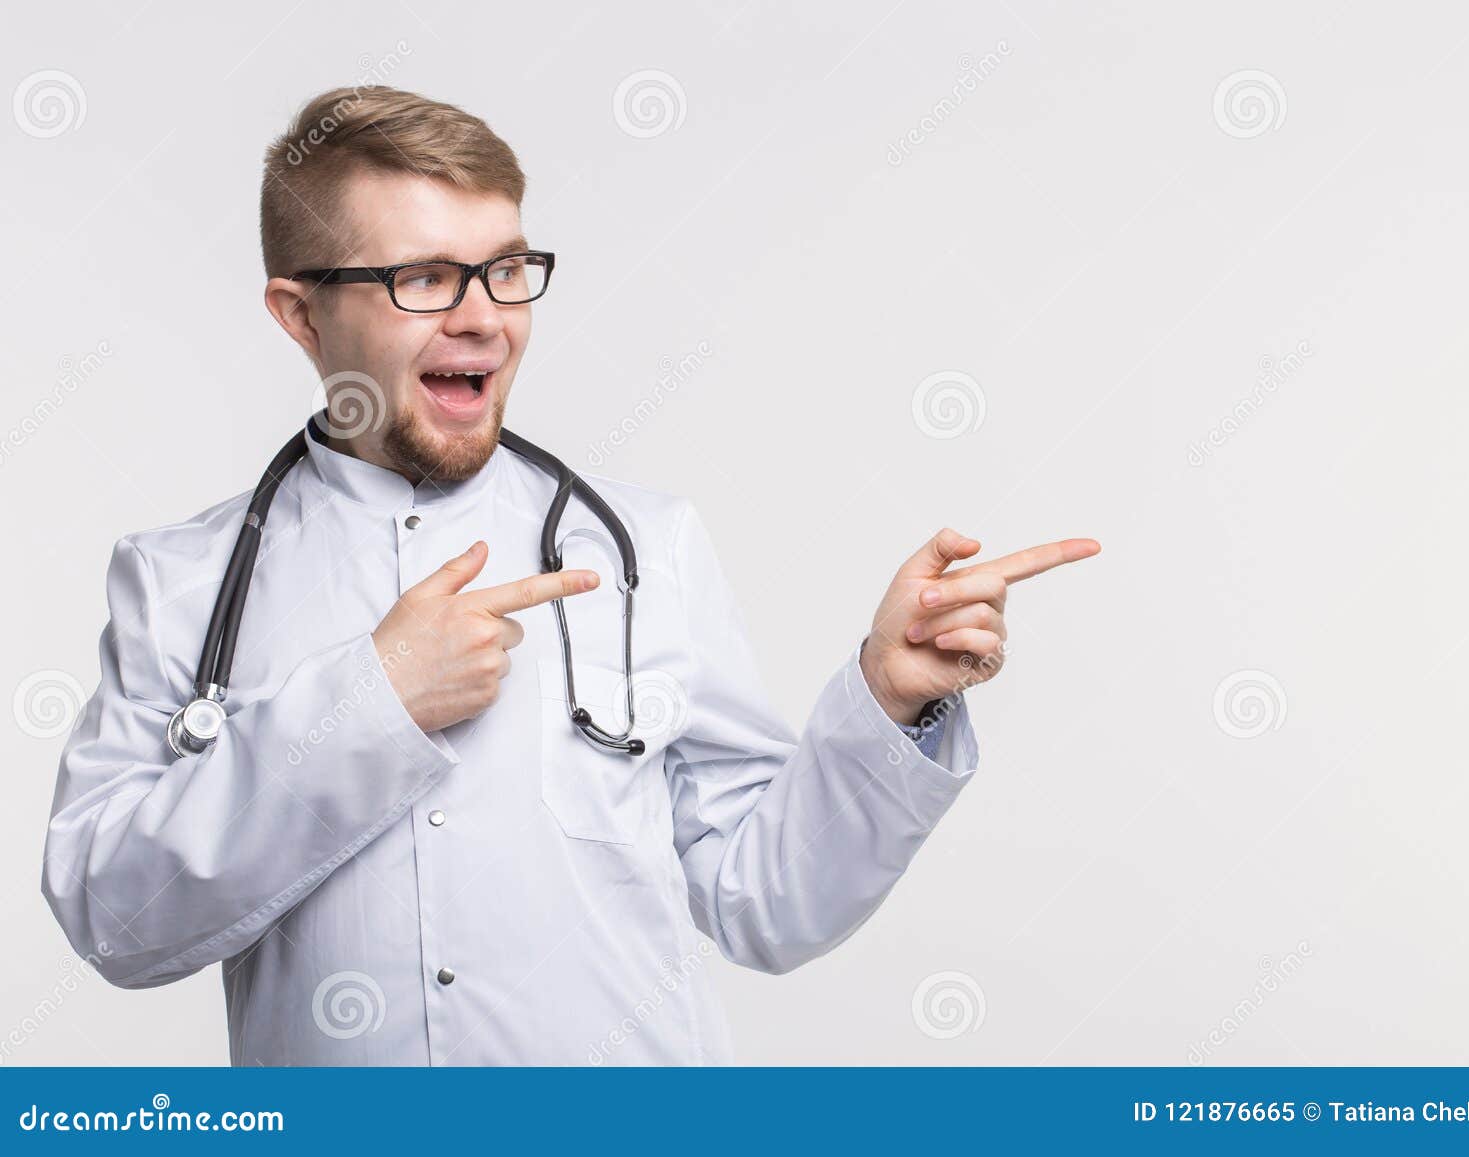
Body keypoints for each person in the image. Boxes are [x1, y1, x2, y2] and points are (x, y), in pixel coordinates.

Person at [39, 86, 1100, 1065]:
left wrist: (887, 701)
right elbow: (116, 921)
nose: (483, 317)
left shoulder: (644, 548)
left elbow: (765, 902)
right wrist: (372, 701)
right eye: (422, 277)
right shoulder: (181, 581)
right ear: (300, 313)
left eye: (505, 268)